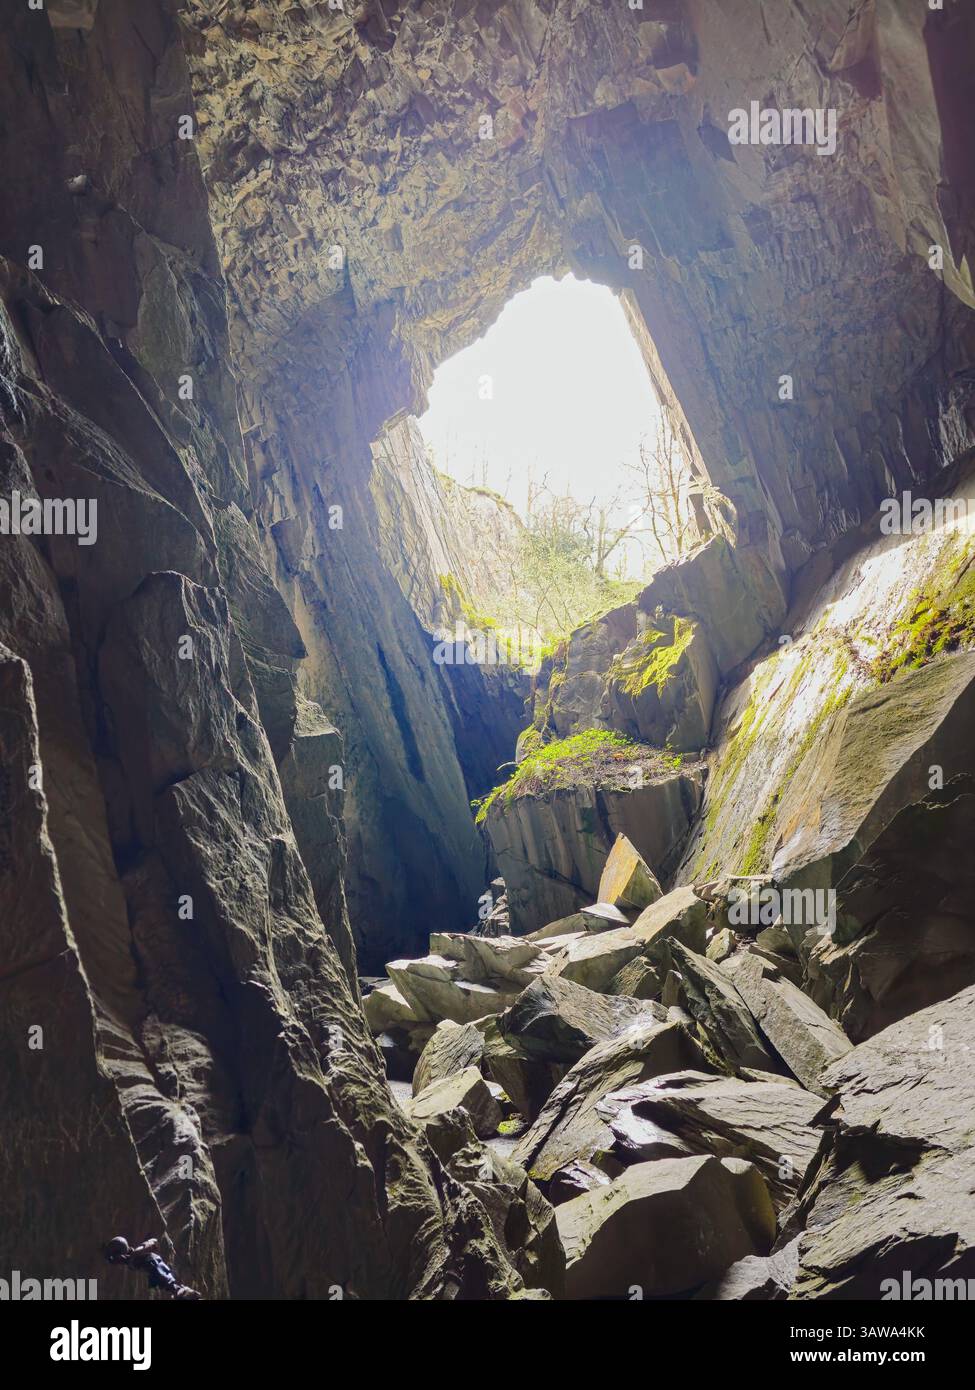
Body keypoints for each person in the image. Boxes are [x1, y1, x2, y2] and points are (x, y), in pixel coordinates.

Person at [103, 1237, 201, 1299]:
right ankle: (179, 1290)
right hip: (151, 1266)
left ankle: (179, 1290)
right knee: (163, 1281)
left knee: (163, 1278)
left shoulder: (135, 1254)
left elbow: (153, 1242)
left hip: (152, 1262)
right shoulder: (129, 1258)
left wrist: (139, 1250)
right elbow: (115, 1260)